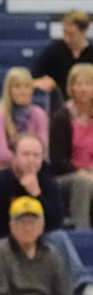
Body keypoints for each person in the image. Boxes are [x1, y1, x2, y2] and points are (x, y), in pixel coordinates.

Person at [0, 132, 93, 295]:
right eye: (26, 154)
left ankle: (82, 288)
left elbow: (56, 222)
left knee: (59, 237)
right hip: (6, 241)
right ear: (14, 157)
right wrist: (16, 241)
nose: (31, 160)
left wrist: (36, 193)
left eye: (36, 155)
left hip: (39, 240)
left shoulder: (47, 182)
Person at [49, 62, 93, 228]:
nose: (83, 89)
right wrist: (83, 173)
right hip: (68, 176)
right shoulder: (62, 117)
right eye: (78, 84)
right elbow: (58, 161)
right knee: (83, 183)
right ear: (71, 88)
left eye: (88, 84)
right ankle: (82, 235)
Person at [0, 67, 49, 176]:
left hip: (32, 170)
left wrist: (27, 164)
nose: (22, 91)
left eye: (26, 87)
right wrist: (26, 163)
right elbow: (0, 154)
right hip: (3, 172)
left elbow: (42, 149)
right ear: (8, 90)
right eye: (17, 87)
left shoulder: (39, 114)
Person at [32, 11, 93, 104]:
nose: (66, 38)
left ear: (83, 32)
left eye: (71, 34)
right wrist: (41, 82)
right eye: (65, 33)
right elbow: (32, 77)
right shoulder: (54, 51)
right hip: (60, 107)